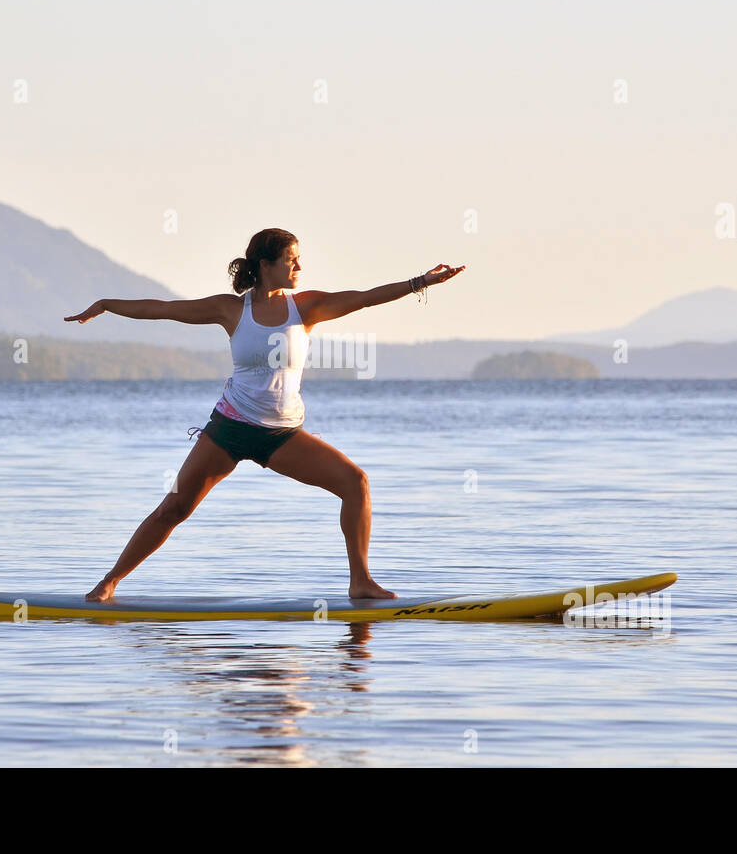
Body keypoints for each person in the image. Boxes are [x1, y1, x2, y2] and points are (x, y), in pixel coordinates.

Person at [64, 228, 465, 602]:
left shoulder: (306, 307)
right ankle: (108, 583)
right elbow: (166, 309)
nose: (299, 267)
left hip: (282, 436)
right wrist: (106, 305)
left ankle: (360, 582)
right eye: (291, 259)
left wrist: (422, 282)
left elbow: (364, 297)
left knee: (355, 482)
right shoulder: (230, 310)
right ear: (266, 264)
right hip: (229, 430)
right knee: (174, 509)